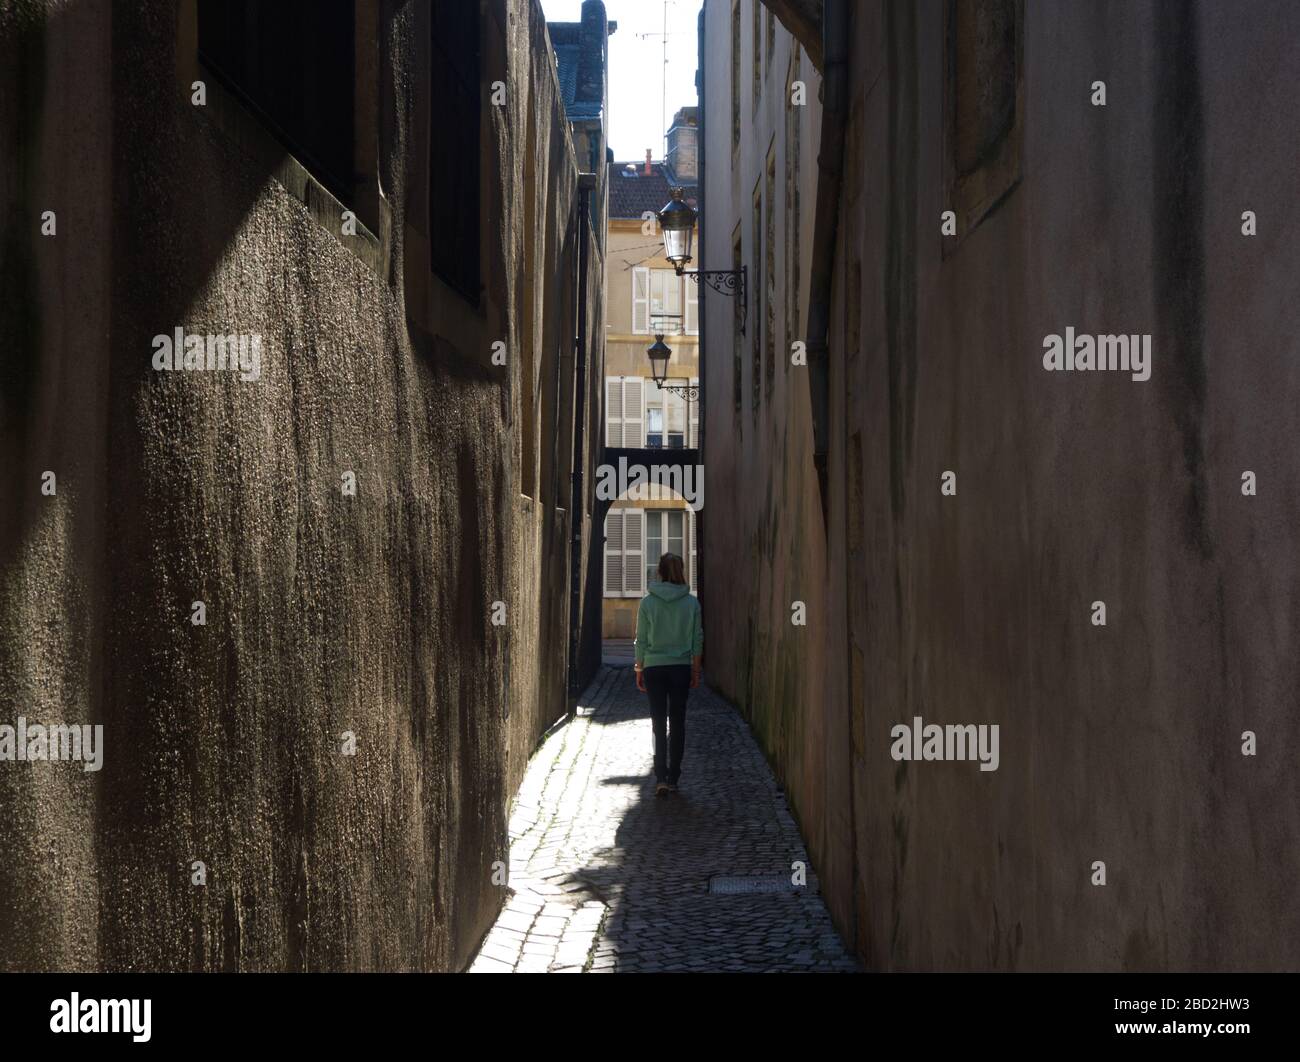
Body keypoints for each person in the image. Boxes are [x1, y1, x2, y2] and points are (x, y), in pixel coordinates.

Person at [633, 552, 703, 797]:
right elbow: (697, 640)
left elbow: (641, 640)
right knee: (678, 721)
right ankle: (674, 776)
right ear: (681, 571)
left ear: (659, 572)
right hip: (681, 667)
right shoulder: (691, 603)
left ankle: (660, 776)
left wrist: (639, 668)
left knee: (657, 723)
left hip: (654, 667)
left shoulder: (648, 603)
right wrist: (695, 669)